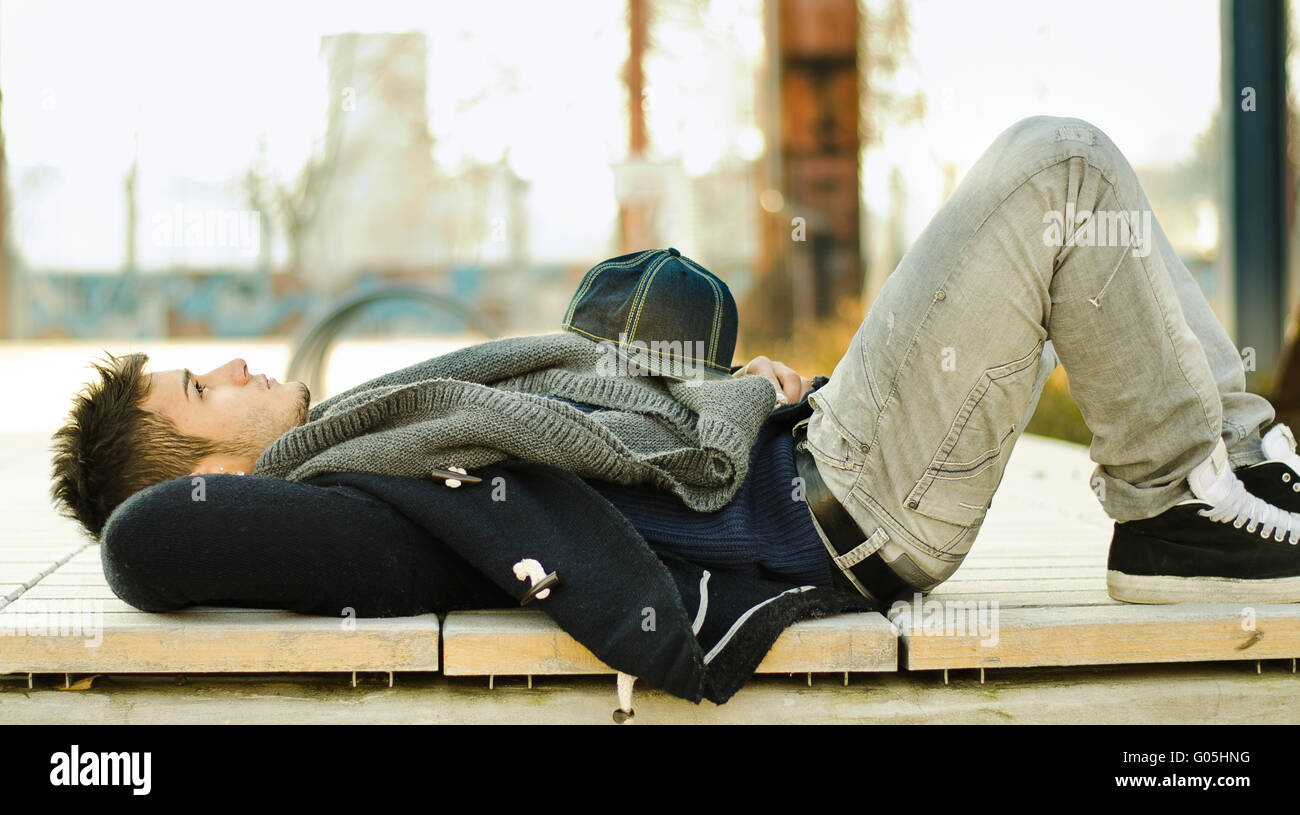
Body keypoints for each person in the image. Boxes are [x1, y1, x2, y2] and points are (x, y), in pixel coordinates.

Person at [49, 115, 1300, 615]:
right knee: (1057, 165)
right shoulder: (351, 496)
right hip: (841, 506)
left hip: (823, 462)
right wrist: (745, 403)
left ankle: (1226, 474)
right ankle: (1173, 509)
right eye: (198, 390)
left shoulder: (375, 451)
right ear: (218, 462)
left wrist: (737, 394)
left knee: (1070, 183)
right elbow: (147, 541)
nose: (223, 363)